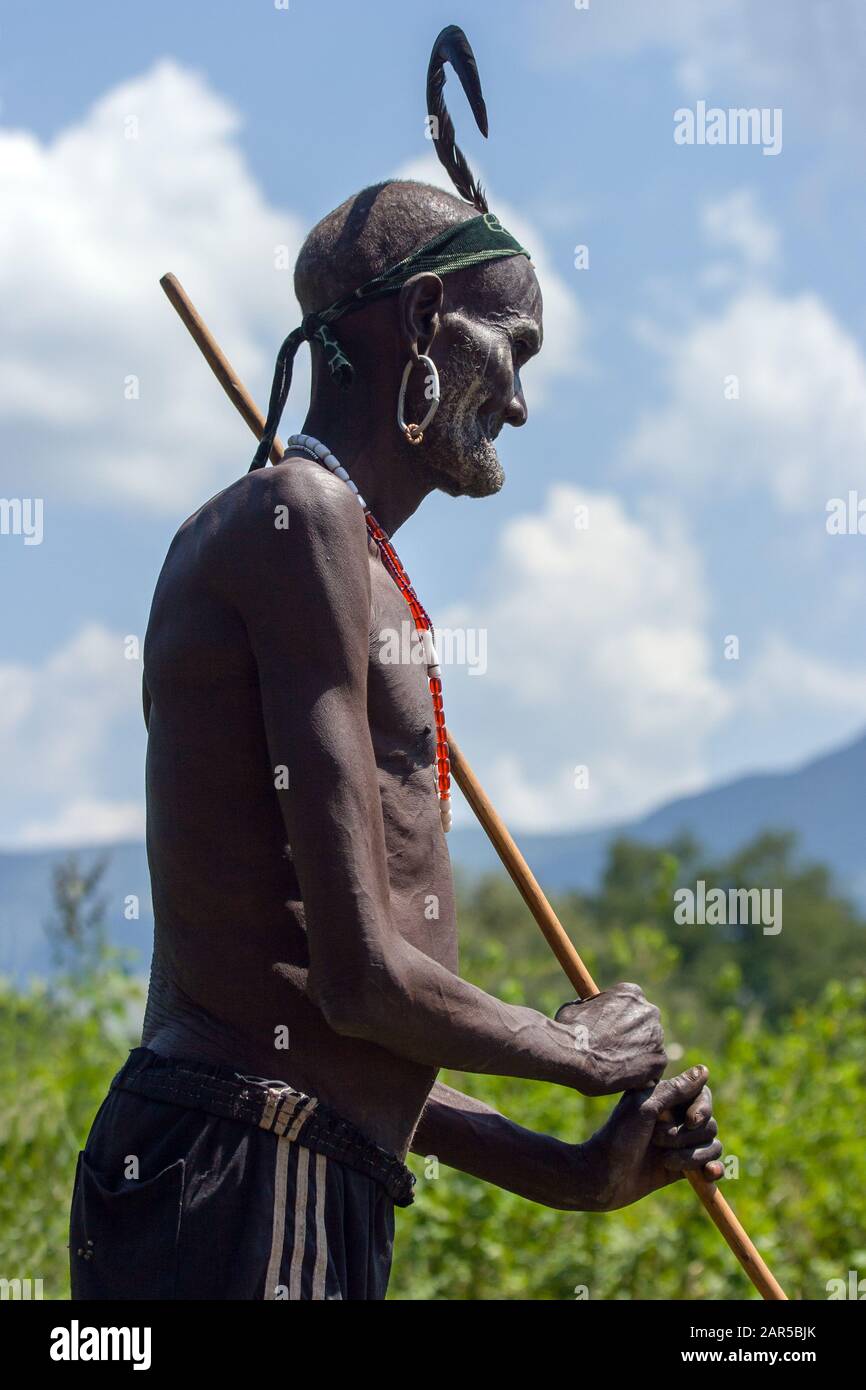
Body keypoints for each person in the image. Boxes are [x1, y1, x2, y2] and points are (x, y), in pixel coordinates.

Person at [70, 26, 722, 1303]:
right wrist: (572, 1047)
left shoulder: (344, 557)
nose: (520, 404)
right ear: (426, 318)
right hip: (242, 1171)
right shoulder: (295, 521)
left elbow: (323, 1031)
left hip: (285, 1169)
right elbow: (361, 982)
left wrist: (570, 1172)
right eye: (511, 348)